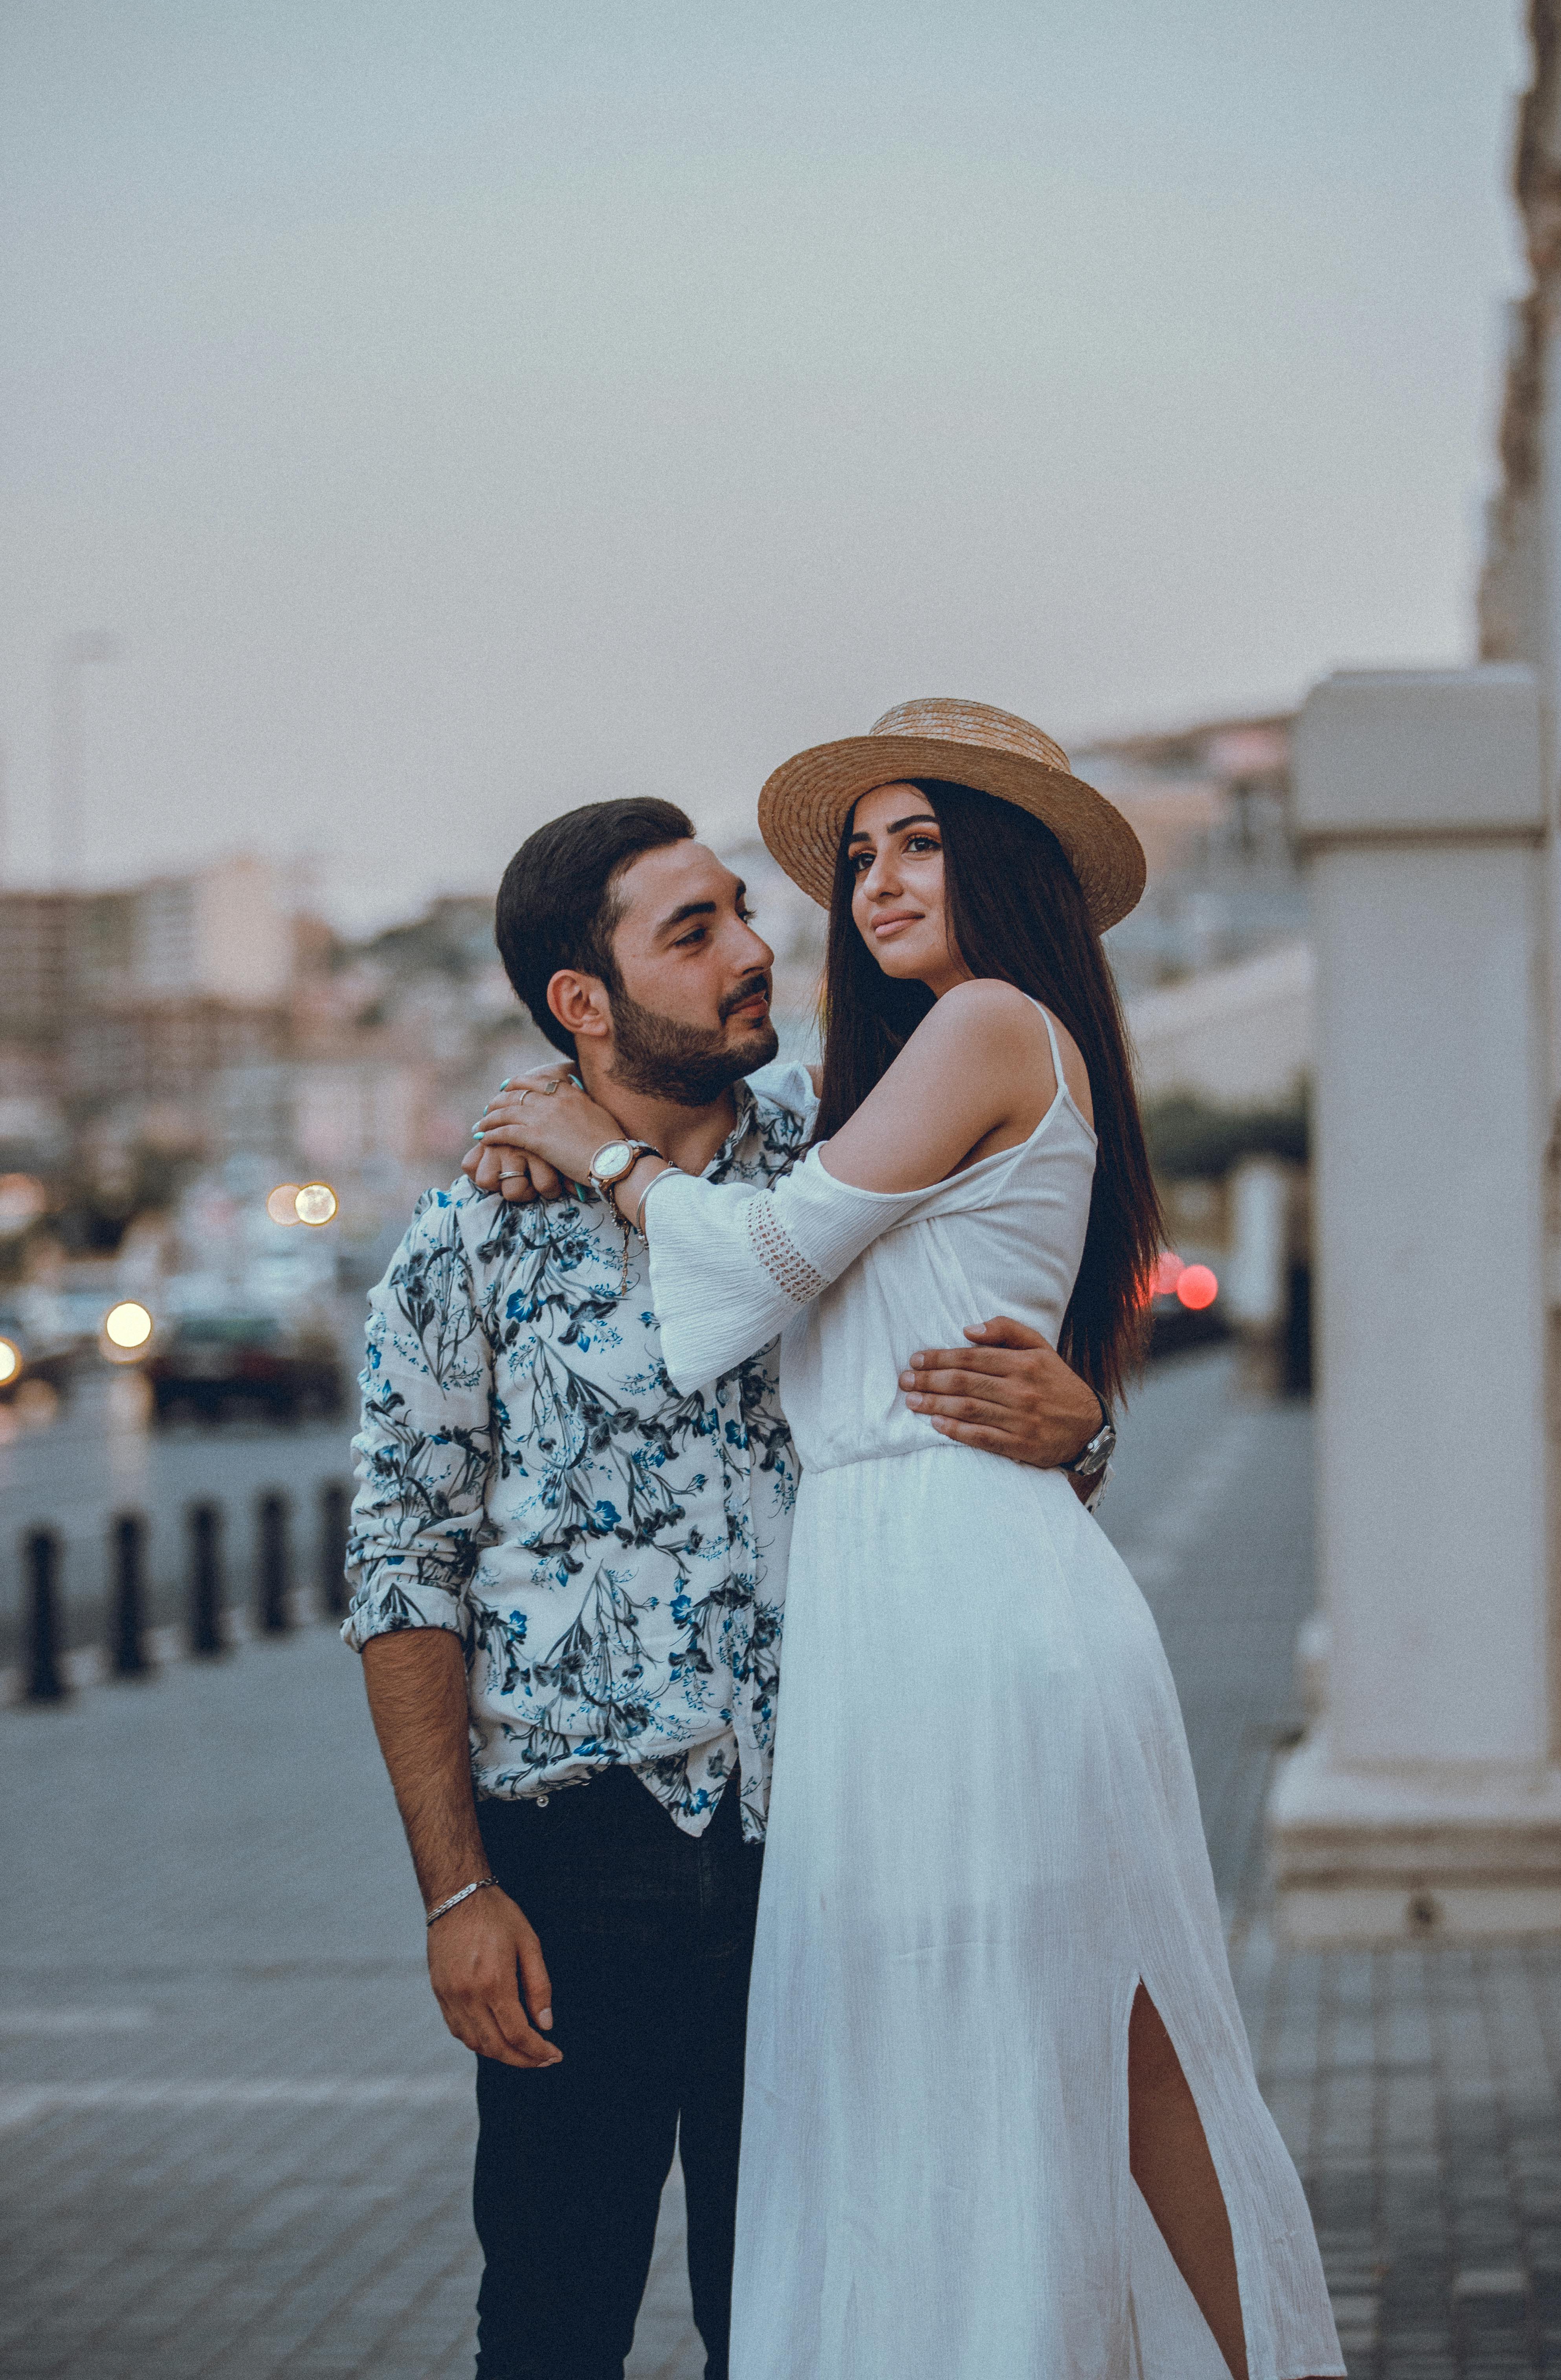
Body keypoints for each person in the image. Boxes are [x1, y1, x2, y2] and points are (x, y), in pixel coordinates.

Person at [475, 700, 1345, 2380]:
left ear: (1001, 863)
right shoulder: (887, 1083)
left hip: (963, 1601)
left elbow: (751, 1272)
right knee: (1001, 2051)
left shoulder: (990, 1022)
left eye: (918, 843)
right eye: (858, 855)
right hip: (900, 1607)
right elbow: (771, 1216)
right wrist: (546, 1127)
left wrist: (598, 1164)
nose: (871, 883)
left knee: (1106, 2039)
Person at [344, 792, 1110, 2380]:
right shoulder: (465, 1247)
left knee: (808, 2323)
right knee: (550, 2324)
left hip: (832, 1843)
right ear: (583, 1001)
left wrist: (1080, 1425)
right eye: (693, 935)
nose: (756, 953)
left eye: (746, 915)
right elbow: (400, 1570)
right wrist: (453, 1893)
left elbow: (975, 1372)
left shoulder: (846, 1163)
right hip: (578, 1863)